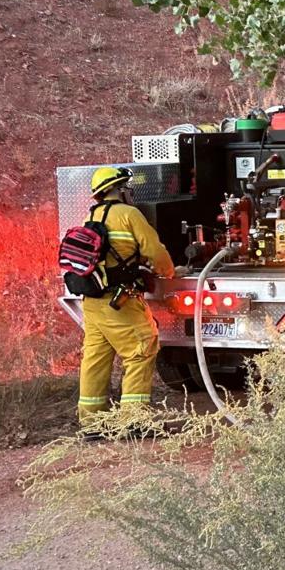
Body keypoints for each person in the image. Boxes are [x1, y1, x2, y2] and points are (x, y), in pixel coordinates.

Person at [77, 167, 175, 426]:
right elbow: (154, 251)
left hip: (93, 302)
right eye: (126, 188)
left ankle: (91, 422)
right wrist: (169, 271)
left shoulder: (92, 215)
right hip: (119, 302)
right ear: (119, 190)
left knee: (95, 359)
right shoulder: (130, 214)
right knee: (140, 351)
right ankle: (133, 423)